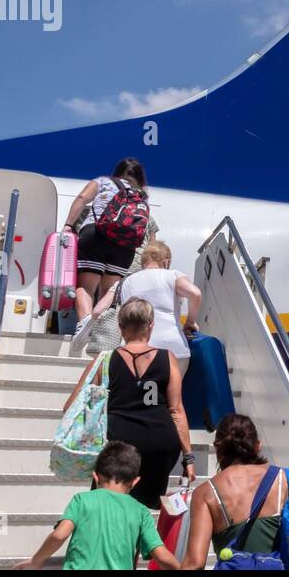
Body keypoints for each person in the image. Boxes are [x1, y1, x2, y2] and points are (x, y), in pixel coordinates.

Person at [64, 298, 196, 509]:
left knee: (106, 508)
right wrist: (188, 458)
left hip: (118, 446)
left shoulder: (105, 360)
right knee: (144, 511)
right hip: (160, 445)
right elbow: (176, 410)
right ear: (150, 325)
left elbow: (71, 406)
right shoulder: (167, 358)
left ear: (120, 327)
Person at [15, 441, 179, 570]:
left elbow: (59, 535)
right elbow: (162, 556)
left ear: (95, 476)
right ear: (135, 481)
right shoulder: (141, 511)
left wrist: (36, 561)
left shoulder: (81, 500)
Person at [181, 414, 286, 569]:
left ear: (217, 448)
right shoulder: (286, 479)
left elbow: (195, 563)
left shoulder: (205, 493)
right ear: (258, 446)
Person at [83, 241, 202, 375]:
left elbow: (97, 311)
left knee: (138, 394)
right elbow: (195, 294)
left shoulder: (124, 282)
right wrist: (190, 322)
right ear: (166, 260)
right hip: (173, 348)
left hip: (134, 350)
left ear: (143, 261)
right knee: (171, 394)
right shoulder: (173, 275)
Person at [62, 157, 150, 328]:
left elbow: (82, 198)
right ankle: (99, 334)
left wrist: (68, 225)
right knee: (108, 292)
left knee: (86, 287)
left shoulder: (103, 181)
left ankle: (84, 325)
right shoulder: (142, 195)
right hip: (124, 245)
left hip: (96, 234)